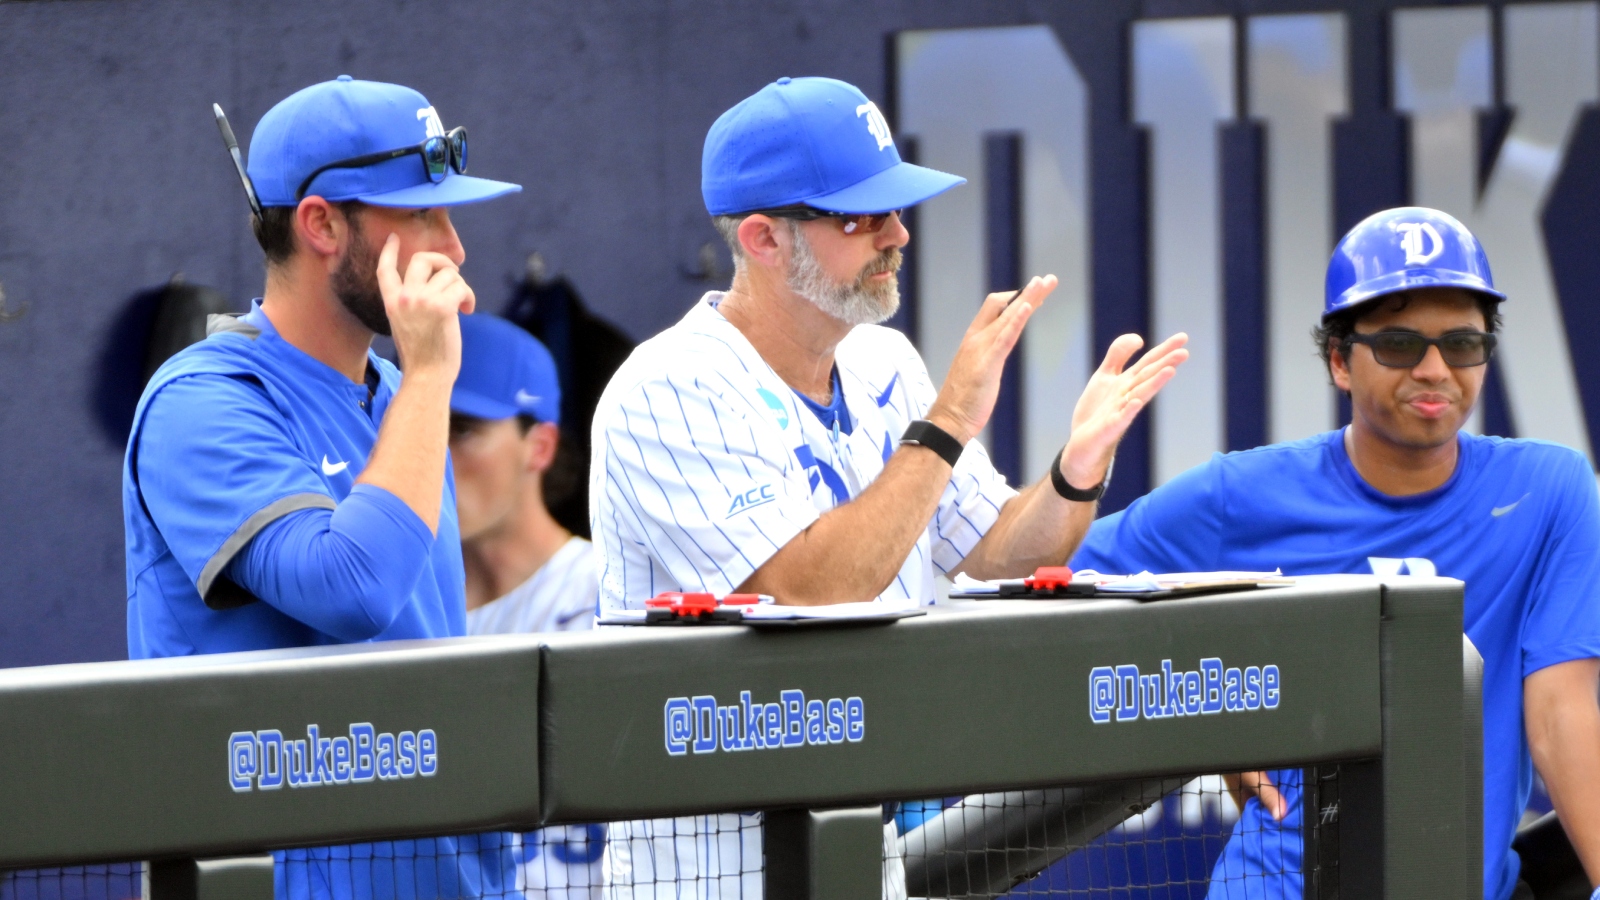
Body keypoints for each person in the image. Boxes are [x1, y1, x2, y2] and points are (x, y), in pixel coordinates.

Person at [588, 75, 1188, 897]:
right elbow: (810, 591)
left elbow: (999, 554)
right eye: (860, 217)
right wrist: (947, 422)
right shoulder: (669, 387)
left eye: (896, 209)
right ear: (764, 239)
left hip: (860, 849)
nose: (898, 234)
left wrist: (1075, 472)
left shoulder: (884, 363)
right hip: (707, 869)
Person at [1070, 207, 1600, 900]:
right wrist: (1208, 714)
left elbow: (1561, 715)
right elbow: (1056, 587)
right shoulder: (1239, 493)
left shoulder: (1551, 490)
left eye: (1462, 343)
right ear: (1339, 361)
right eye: (1400, 344)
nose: (1435, 369)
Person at [122, 76, 521, 899]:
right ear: (322, 225)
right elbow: (352, 587)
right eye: (422, 214)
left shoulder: (399, 391)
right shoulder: (202, 400)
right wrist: (430, 377)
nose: (454, 247)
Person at [448, 313, 602, 899]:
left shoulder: (605, 594)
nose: (433, 456)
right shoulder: (400, 619)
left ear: (539, 446)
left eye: (461, 430)